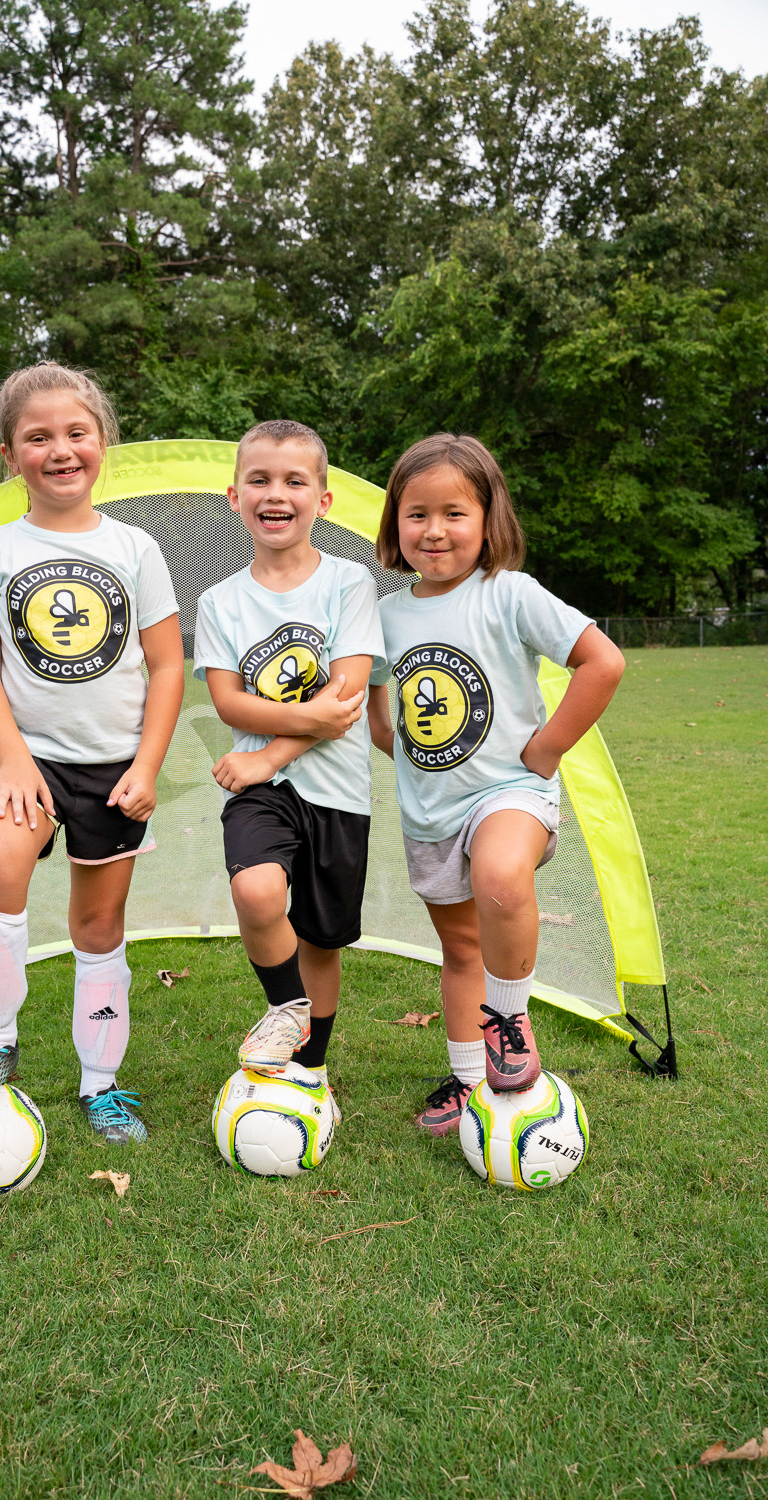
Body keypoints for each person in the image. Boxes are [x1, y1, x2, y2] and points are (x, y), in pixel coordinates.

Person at [0, 362, 184, 1143]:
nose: (60, 449)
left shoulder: (136, 547)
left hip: (117, 766)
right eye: (37, 437)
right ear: (10, 457)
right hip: (28, 759)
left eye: (75, 432)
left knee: (98, 924)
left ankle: (100, 1085)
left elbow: (169, 664)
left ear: (101, 441)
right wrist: (10, 760)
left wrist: (146, 767)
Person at [367, 434, 625, 1135]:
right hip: (429, 812)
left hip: (510, 791)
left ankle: (509, 1024)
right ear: (394, 524)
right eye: (415, 514)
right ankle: (466, 1079)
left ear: (488, 520)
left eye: (454, 512)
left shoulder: (508, 594)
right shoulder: (385, 616)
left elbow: (601, 662)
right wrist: (382, 731)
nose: (434, 530)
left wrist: (544, 749)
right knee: (459, 951)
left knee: (503, 878)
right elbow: (372, 692)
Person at [193, 420, 384, 1117]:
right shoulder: (219, 602)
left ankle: (312, 1066)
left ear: (323, 501)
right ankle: (283, 1010)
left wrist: (268, 751)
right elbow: (225, 699)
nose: (276, 494)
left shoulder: (348, 583)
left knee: (320, 939)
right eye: (260, 480)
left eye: (294, 481)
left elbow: (347, 698)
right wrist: (301, 729)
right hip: (260, 794)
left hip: (334, 793)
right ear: (234, 498)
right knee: (255, 892)